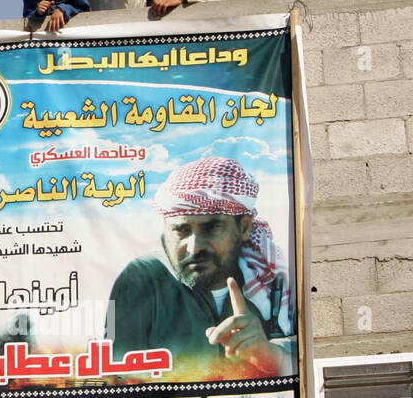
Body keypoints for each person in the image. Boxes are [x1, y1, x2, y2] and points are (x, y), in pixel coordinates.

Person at [106, 157, 296, 378]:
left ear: (244, 228)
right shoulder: (140, 280)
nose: (194, 248)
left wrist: (274, 356)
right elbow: (114, 373)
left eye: (212, 228)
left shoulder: (274, 282)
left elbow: (307, 356)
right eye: (181, 230)